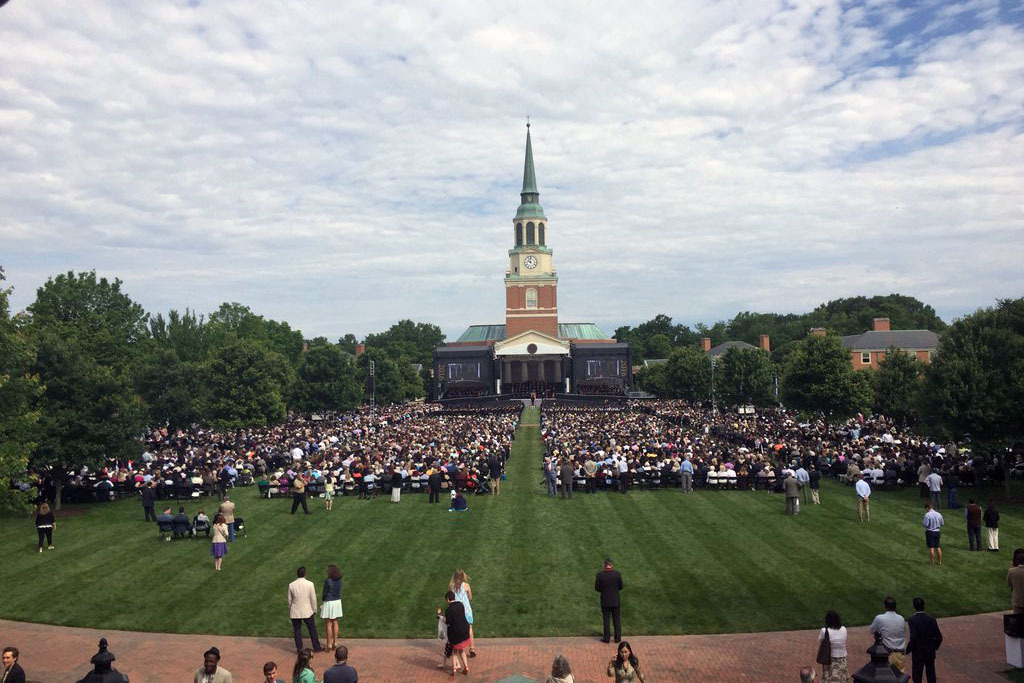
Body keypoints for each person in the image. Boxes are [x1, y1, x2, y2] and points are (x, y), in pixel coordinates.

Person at [288, 566, 324, 653]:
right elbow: (313, 598)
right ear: (305, 574)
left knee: (297, 630)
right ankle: (316, 647)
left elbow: (289, 600)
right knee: (312, 629)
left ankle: (299, 648)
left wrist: (290, 610)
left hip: (295, 611)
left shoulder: (291, 585)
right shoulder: (310, 584)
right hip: (307, 611)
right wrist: (314, 609)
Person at [907, 597, 942, 683]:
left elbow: (913, 637)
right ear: (924, 606)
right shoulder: (931, 620)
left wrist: (909, 649)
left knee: (917, 675)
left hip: (918, 652)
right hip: (930, 652)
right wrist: (934, 647)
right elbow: (939, 637)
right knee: (931, 674)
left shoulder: (912, 620)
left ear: (914, 606)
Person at [595, 558, 623, 643]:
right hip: (615, 600)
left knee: (606, 620)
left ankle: (606, 638)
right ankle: (617, 638)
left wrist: (604, 591)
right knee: (617, 620)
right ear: (611, 565)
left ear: (604, 565)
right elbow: (621, 586)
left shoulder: (600, 575)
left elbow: (597, 588)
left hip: (605, 600)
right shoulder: (617, 574)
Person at [816, 610, 849, 683]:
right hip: (842, 659)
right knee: (842, 678)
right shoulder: (844, 629)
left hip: (829, 659)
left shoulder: (824, 631)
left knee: (829, 678)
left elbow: (821, 640)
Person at [444, 590, 471, 677]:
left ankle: (454, 669)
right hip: (465, 631)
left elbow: (448, 622)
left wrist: (443, 619)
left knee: (454, 652)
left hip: (455, 634)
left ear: (448, 599)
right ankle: (466, 667)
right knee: (462, 650)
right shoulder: (460, 604)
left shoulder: (448, 610)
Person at [449, 570, 476, 657]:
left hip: (456, 612)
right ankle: (472, 648)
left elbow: (449, 598)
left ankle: (458, 648)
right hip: (467, 611)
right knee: (469, 629)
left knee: (457, 629)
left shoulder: (451, 586)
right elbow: (470, 597)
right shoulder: (466, 585)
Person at [321, 564, 343, 652]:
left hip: (329, 602)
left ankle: (329, 644)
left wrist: (323, 600)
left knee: (329, 623)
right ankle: (335, 642)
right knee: (335, 622)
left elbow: (324, 592)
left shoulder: (328, 581)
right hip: (337, 601)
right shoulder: (339, 581)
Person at [1008, 548, 1024, 613]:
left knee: (1017, 618)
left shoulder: (1012, 571)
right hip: (1018, 601)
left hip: (1018, 601)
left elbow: (1009, 584)